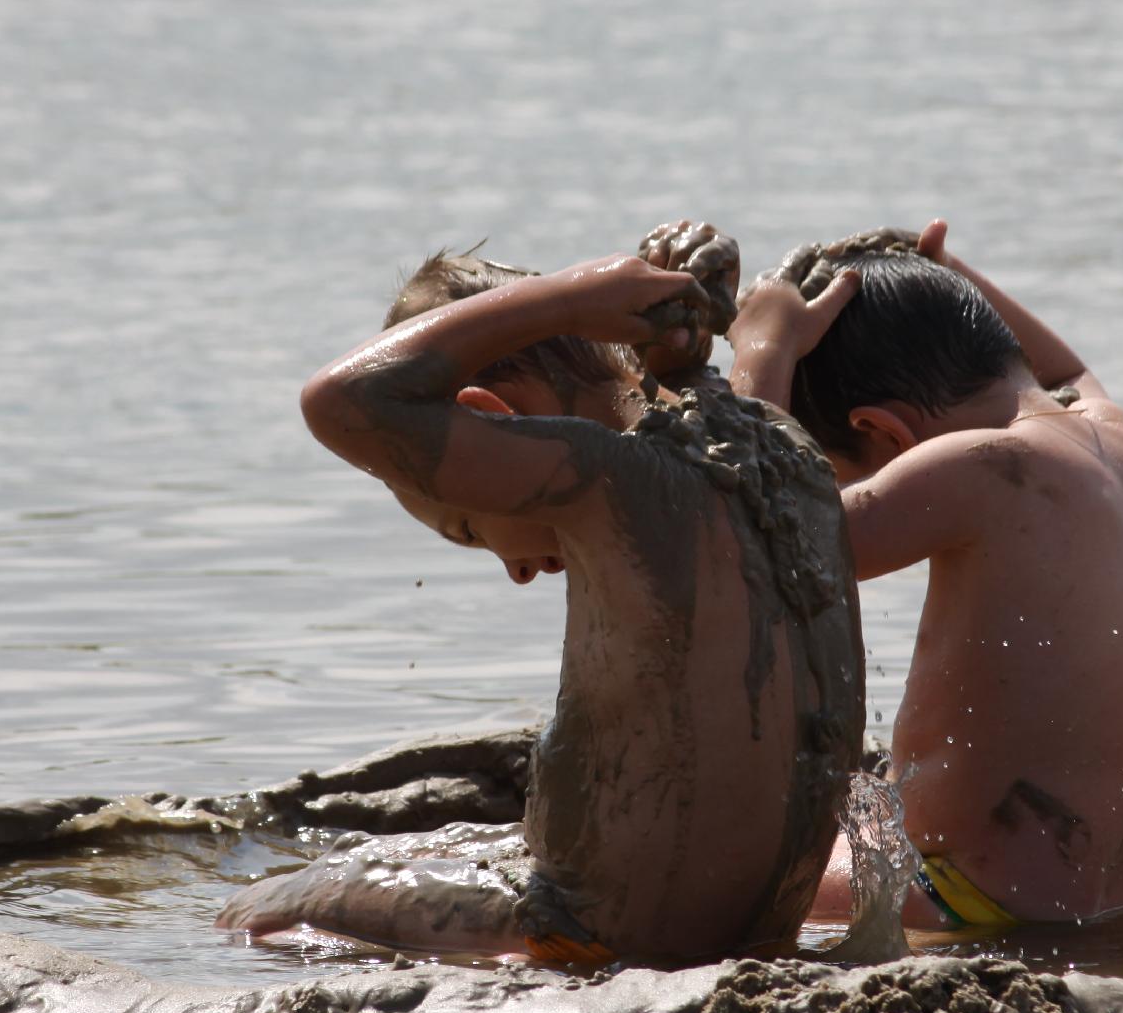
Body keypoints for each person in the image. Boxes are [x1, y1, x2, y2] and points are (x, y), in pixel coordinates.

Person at [217, 235, 864, 968]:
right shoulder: (782, 448)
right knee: (471, 845)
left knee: (265, 906)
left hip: (611, 936)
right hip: (766, 932)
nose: (515, 573)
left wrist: (573, 296)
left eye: (467, 521)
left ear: (491, 418)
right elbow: (720, 401)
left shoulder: (610, 479)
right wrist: (748, 337)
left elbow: (340, 401)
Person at [728, 220, 1123, 931]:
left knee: (724, 860)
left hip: (964, 901)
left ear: (885, 433)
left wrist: (763, 352)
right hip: (1116, 902)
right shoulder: (1116, 430)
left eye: (836, 472)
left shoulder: (983, 468)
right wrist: (955, 275)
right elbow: (1067, 371)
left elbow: (756, 529)